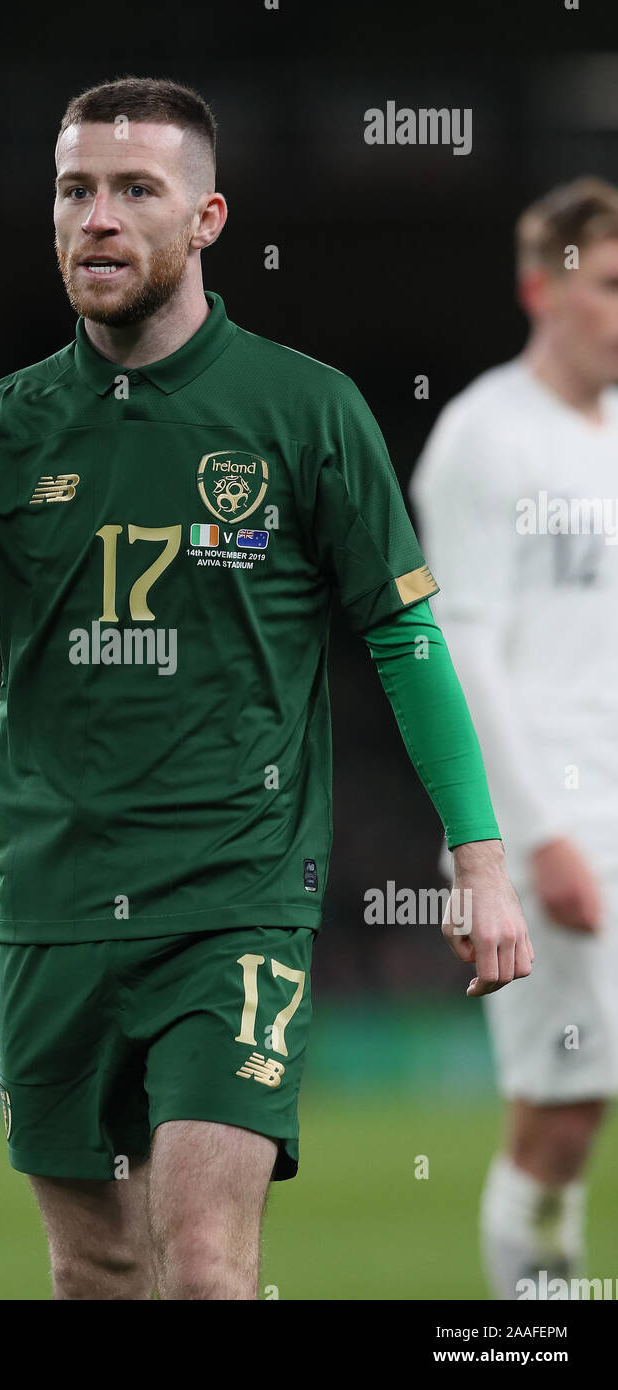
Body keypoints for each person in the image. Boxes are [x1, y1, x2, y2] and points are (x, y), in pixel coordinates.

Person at [0, 76, 531, 1301]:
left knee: (200, 1272)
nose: (98, 217)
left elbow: (402, 640)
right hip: (50, 899)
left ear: (206, 220)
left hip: (232, 898)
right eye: (76, 189)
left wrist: (478, 853)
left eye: (136, 190)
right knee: (94, 1271)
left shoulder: (305, 412)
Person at [410, 177, 618, 1299]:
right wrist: (533, 841)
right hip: (551, 818)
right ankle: (536, 1326)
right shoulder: (483, 439)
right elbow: (462, 650)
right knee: (562, 1110)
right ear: (542, 288)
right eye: (609, 287)